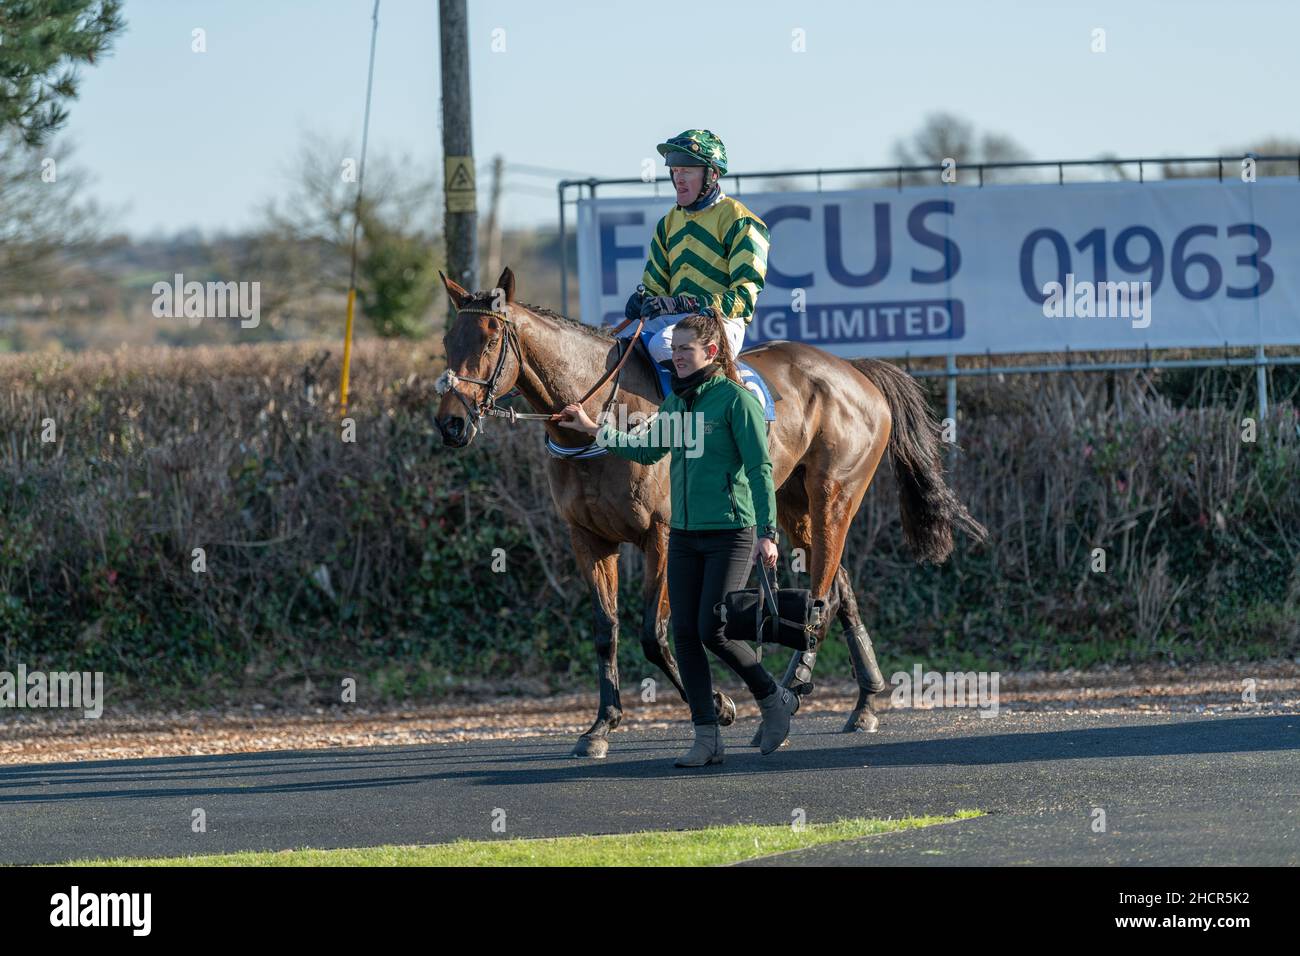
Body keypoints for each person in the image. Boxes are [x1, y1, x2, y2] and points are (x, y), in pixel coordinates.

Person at [559, 308, 798, 768]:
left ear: (710, 351)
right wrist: (595, 431)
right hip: (685, 534)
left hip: (733, 531)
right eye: (674, 349)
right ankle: (706, 738)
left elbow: (761, 469)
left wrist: (768, 533)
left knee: (714, 630)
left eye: (685, 349)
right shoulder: (679, 403)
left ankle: (772, 698)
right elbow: (648, 449)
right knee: (685, 635)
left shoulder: (735, 401)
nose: (676, 357)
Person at [618, 129, 770, 373]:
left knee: (664, 346)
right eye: (675, 170)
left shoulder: (740, 221)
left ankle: (701, 406)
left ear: (712, 174)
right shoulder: (667, 224)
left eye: (686, 170)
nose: (678, 178)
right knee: (613, 346)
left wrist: (685, 303)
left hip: (721, 322)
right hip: (674, 321)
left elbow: (744, 299)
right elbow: (656, 289)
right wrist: (644, 301)